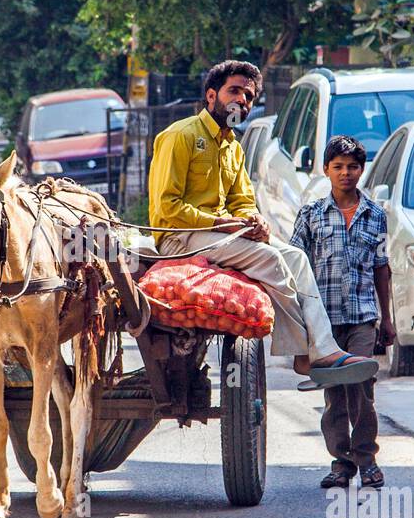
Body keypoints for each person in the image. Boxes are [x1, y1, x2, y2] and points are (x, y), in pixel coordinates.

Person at [148, 60, 378, 387]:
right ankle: (304, 352)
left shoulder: (233, 147)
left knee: (296, 257)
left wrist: (254, 221)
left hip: (220, 234)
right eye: (235, 91)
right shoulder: (180, 136)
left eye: (249, 95)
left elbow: (242, 199)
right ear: (211, 96)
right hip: (179, 237)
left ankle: (321, 349)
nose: (242, 100)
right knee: (271, 260)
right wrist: (223, 223)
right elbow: (167, 208)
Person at [291, 136, 395, 489]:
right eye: (338, 167)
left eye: (352, 167)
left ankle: (367, 460)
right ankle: (341, 463)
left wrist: (388, 318)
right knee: (334, 393)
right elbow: (294, 265)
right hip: (323, 320)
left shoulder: (376, 216)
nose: (345, 173)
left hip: (363, 316)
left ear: (361, 170)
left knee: (362, 386)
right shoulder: (311, 214)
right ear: (326, 170)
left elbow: (382, 267)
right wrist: (297, 325)